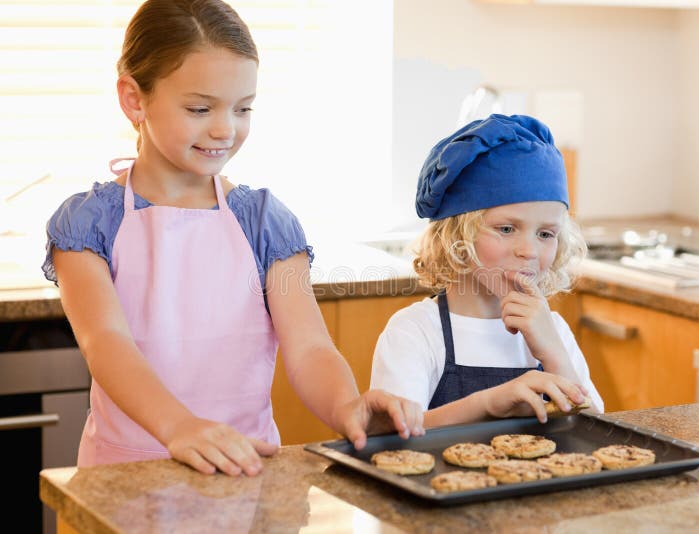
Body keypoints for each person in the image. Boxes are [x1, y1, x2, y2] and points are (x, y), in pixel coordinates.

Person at [42, 0, 423, 477]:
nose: (226, 129)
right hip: (125, 475)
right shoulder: (88, 224)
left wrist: (347, 406)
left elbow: (309, 348)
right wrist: (180, 427)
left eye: (243, 108)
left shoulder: (264, 221)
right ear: (134, 99)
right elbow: (106, 343)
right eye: (200, 108)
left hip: (244, 472)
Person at [370, 113, 604, 427]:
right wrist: (489, 404)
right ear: (455, 238)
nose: (529, 250)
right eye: (506, 229)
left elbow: (596, 433)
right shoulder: (415, 332)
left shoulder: (554, 330)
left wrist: (554, 355)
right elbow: (393, 437)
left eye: (546, 234)